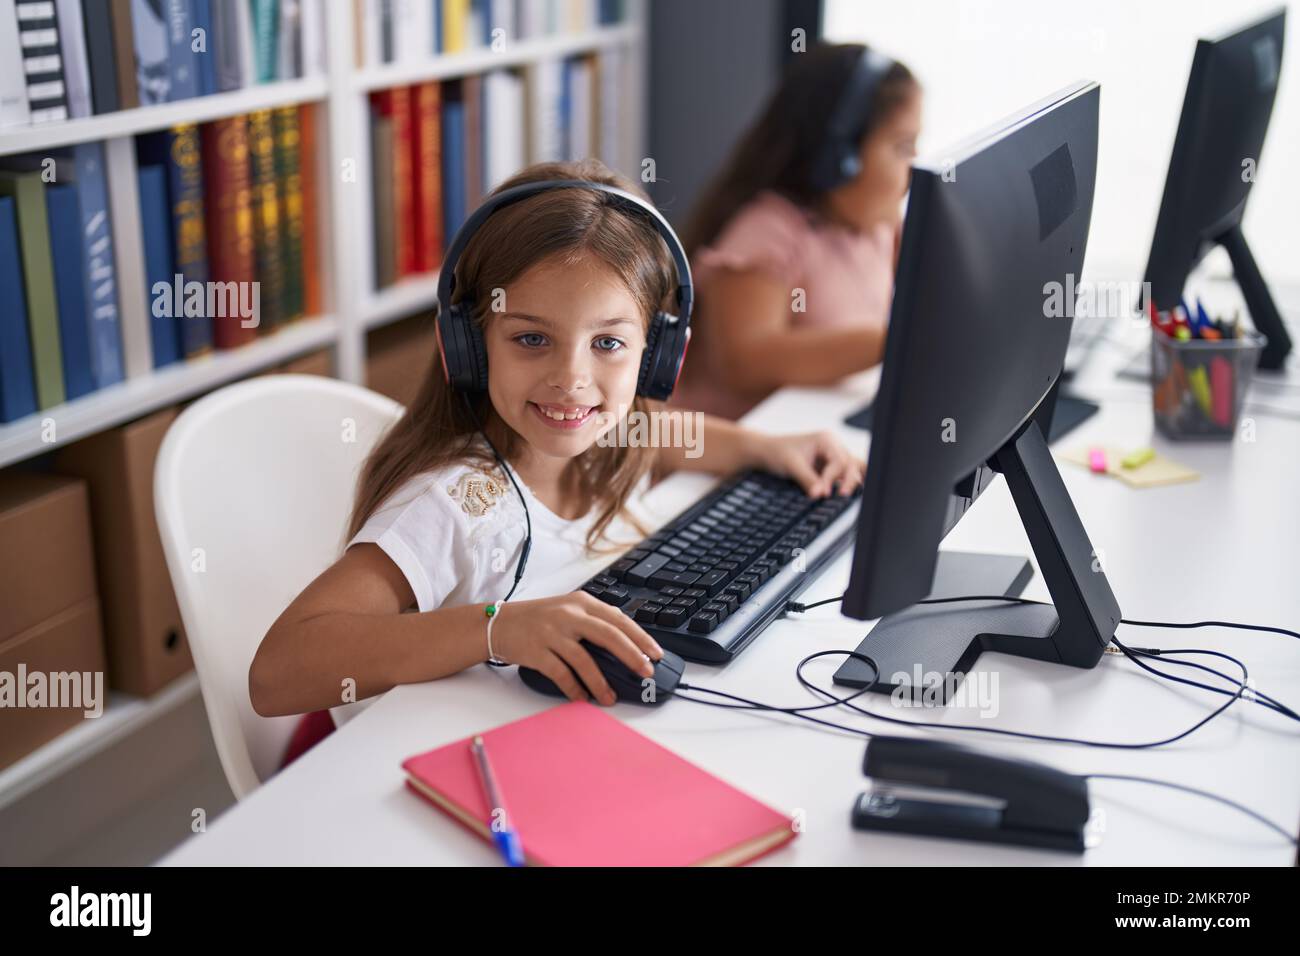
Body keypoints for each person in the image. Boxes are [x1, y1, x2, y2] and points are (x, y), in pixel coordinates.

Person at [250, 159, 866, 719]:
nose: (572, 382)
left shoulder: (603, 432)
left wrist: (765, 447)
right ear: (467, 345)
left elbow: (666, 433)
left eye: (607, 344)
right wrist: (499, 629)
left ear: (655, 355)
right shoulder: (456, 501)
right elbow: (277, 674)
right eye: (531, 339)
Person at [671, 43, 921, 420]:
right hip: (728, 455)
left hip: (810, 429)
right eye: (903, 146)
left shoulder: (877, 229)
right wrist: (895, 341)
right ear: (841, 158)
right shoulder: (767, 233)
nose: (915, 164)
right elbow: (744, 362)